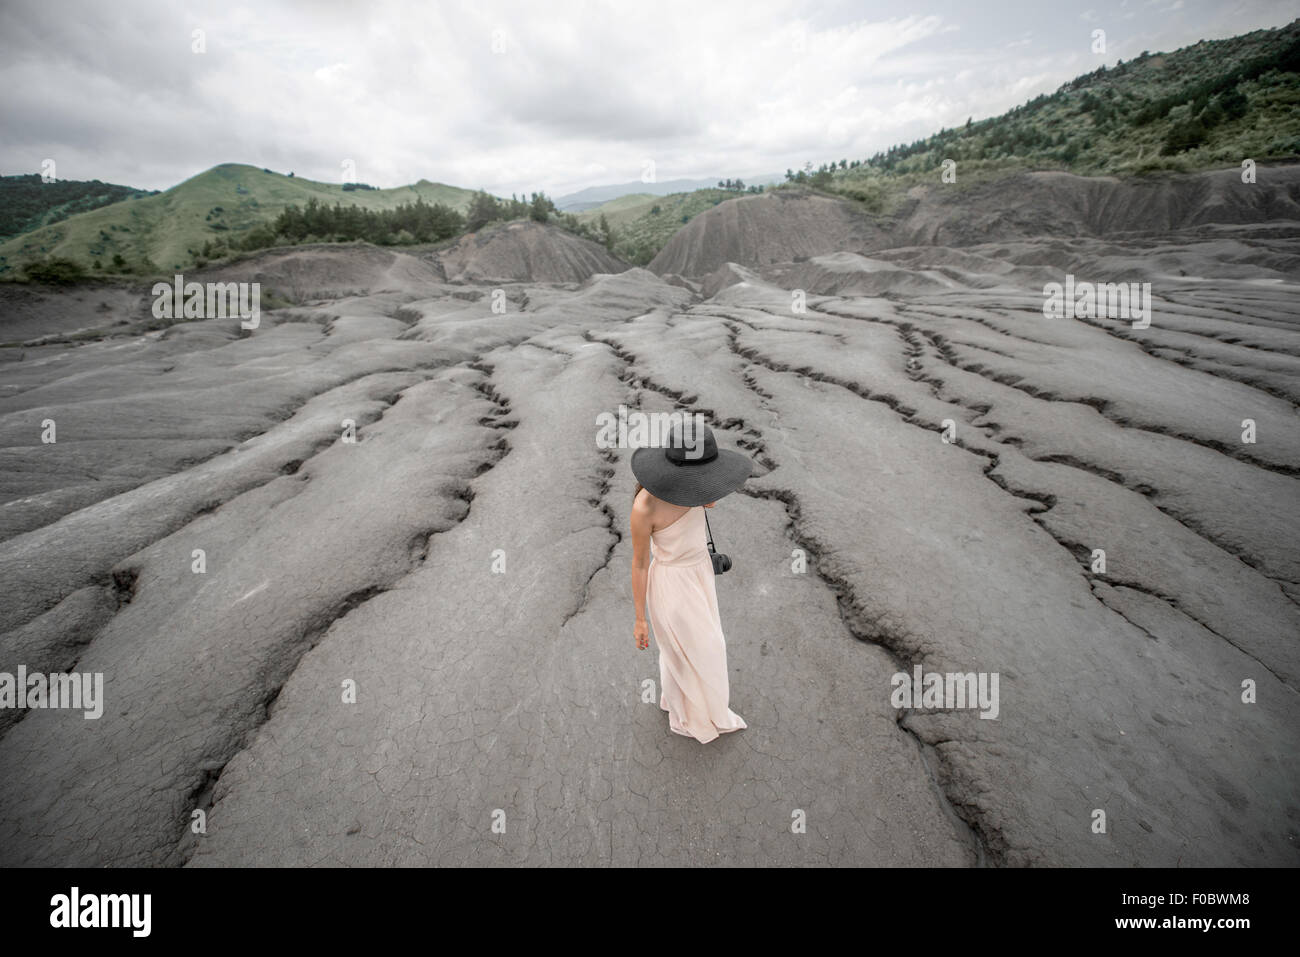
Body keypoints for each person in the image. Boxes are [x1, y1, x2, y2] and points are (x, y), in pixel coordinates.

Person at [629, 422, 753, 743]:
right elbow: (640, 563)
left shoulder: (699, 489)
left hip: (699, 573)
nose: (701, 486)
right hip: (671, 584)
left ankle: (684, 700)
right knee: (700, 648)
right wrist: (641, 619)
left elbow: (707, 500)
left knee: (699, 646)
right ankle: (694, 713)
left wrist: (706, 492)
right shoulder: (644, 507)